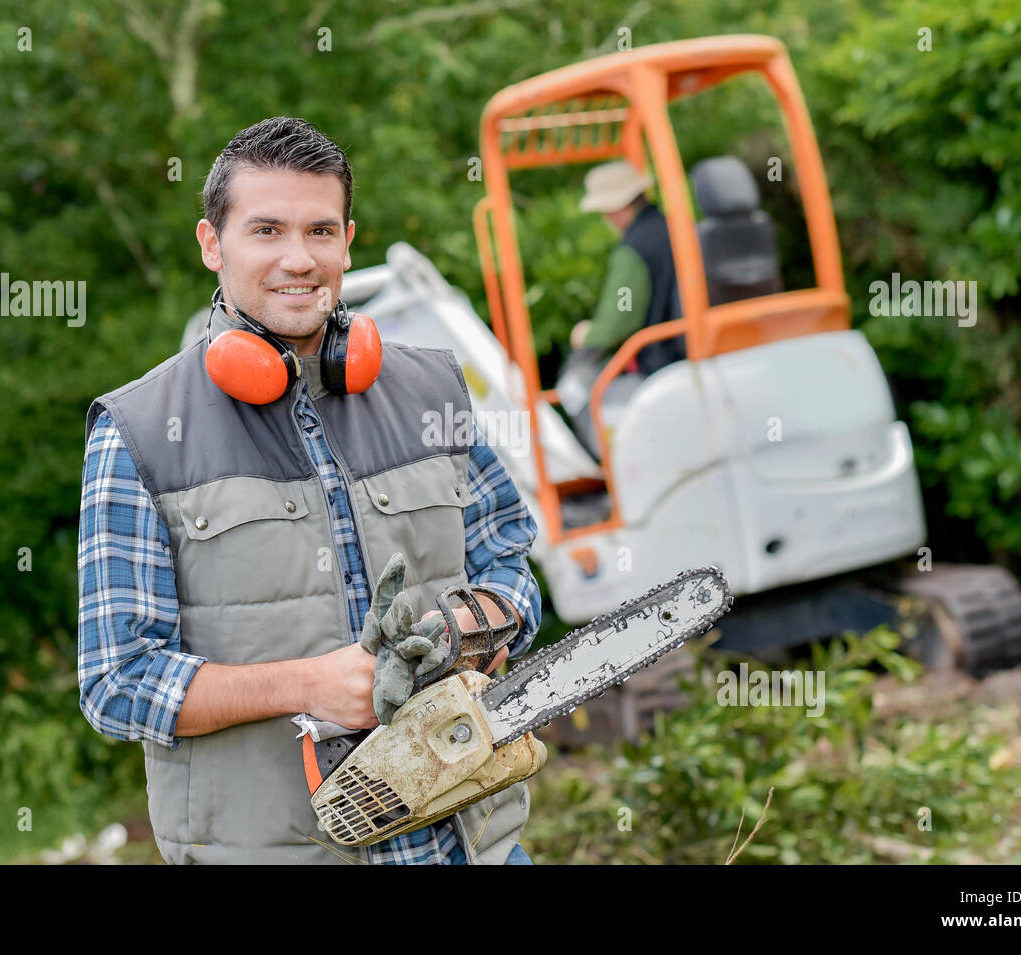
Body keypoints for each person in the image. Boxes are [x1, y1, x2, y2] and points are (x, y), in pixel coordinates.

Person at [77, 117, 541, 865]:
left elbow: (512, 567)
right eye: (266, 229)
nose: (300, 258)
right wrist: (309, 685)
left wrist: (461, 628)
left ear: (348, 240)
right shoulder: (137, 433)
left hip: (473, 842)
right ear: (211, 244)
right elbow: (116, 683)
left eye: (320, 230)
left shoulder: (432, 388)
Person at [569, 159, 686, 375]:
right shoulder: (675, 226)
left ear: (615, 207)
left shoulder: (632, 252)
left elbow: (619, 321)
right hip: (686, 350)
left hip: (662, 365)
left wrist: (585, 334)